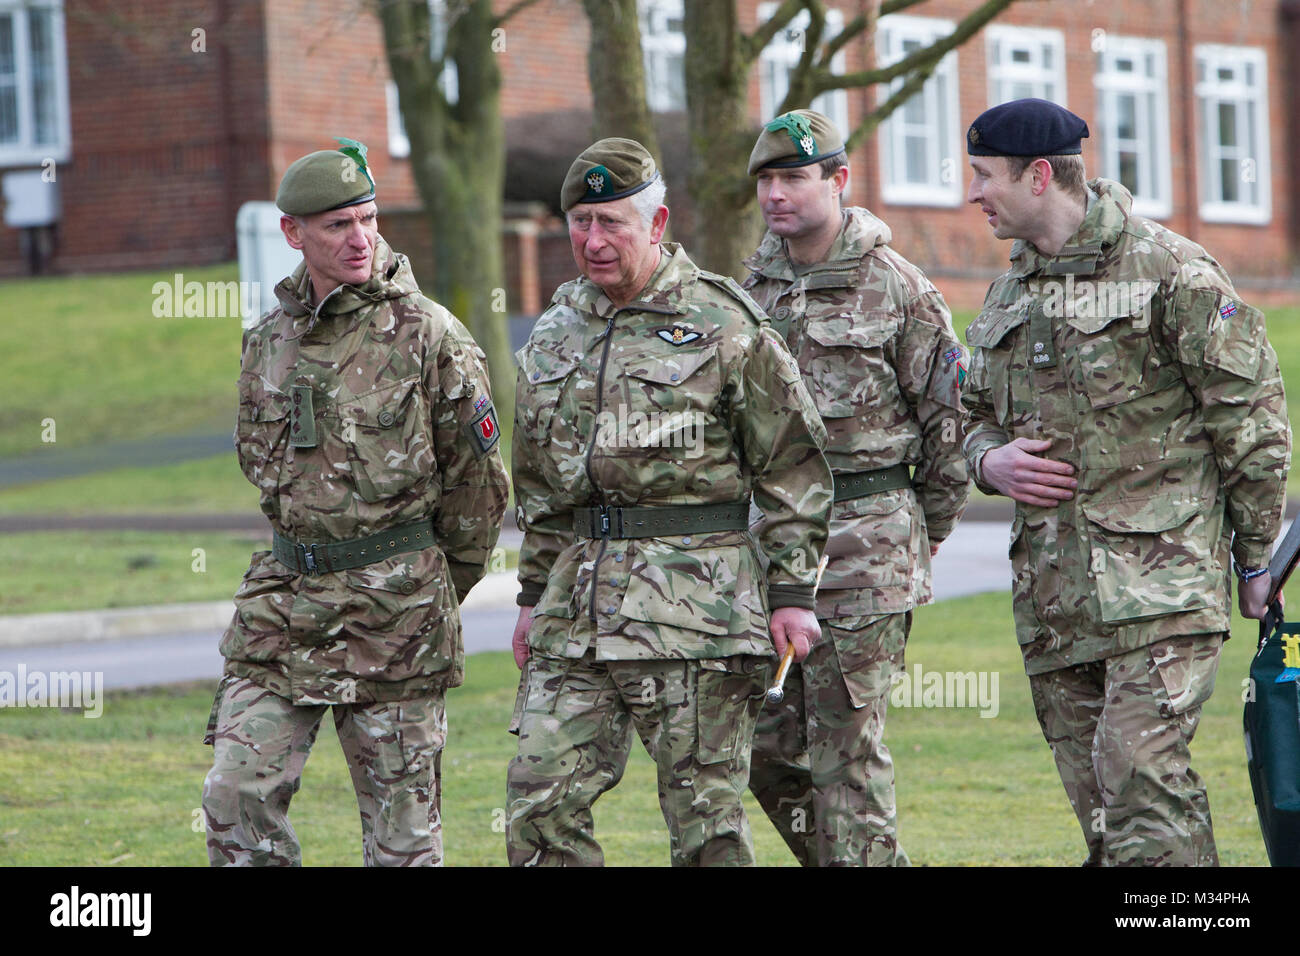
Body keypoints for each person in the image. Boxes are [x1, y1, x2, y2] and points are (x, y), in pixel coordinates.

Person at [962, 98, 1291, 866]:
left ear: (1038, 176)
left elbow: (1251, 424)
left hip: (1162, 591)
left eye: (984, 176)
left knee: (1144, 788)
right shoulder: (1010, 290)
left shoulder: (1171, 270)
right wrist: (989, 462)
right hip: (1053, 600)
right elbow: (967, 417)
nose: (972, 193)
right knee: (1110, 827)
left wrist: (1253, 563)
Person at [505, 137, 833, 866]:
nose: (593, 241)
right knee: (538, 803)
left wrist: (789, 592)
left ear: (656, 226)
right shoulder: (556, 331)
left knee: (705, 823)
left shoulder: (723, 323)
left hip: (696, 612)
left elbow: (792, 466)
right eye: (580, 222)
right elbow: (543, 484)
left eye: (612, 223)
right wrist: (533, 592)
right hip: (576, 610)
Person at [201, 139, 509, 866]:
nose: (360, 238)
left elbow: (480, 490)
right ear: (293, 234)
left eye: (367, 218)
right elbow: (262, 466)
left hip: (394, 613)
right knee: (234, 796)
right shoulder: (266, 341)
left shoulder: (431, 335)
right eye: (338, 225)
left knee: (402, 839)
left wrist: (431, 587)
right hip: (283, 607)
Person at [740, 109, 970, 866]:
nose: (776, 194)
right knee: (763, 747)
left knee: (846, 753)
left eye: (794, 177)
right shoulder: (751, 287)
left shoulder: (897, 286)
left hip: (867, 546)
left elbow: (949, 421)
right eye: (766, 179)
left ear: (838, 180)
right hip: (773, 550)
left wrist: (923, 528)